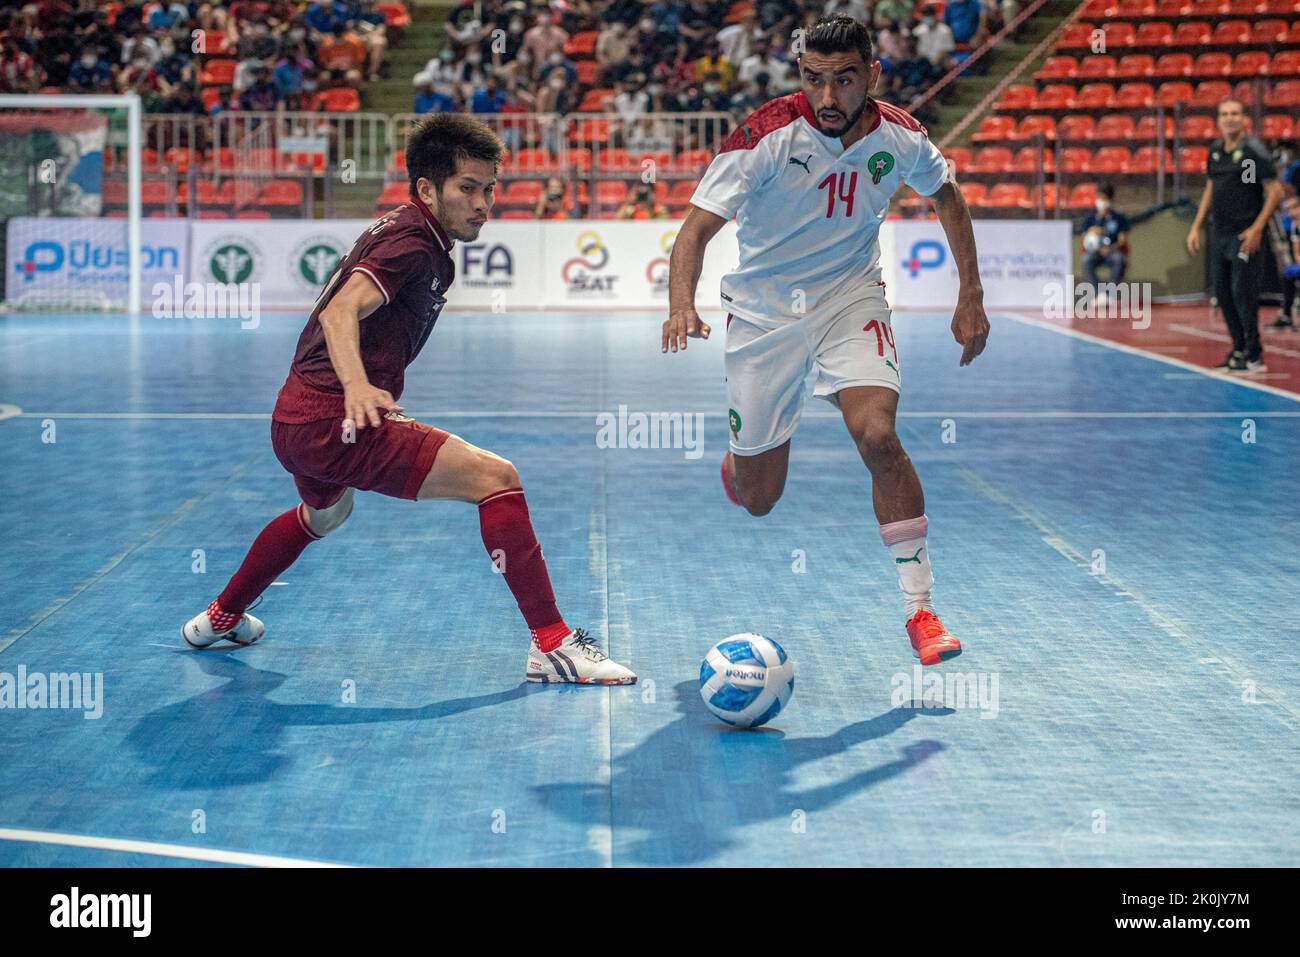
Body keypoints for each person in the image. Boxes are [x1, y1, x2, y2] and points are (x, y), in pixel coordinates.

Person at [181, 113, 635, 685]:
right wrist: (356, 387)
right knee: (497, 479)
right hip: (332, 420)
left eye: (489, 188)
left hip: (292, 422)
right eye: (467, 189)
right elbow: (341, 309)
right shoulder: (412, 242)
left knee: (326, 514)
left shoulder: (407, 229)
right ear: (426, 188)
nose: (482, 204)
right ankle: (553, 645)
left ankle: (221, 615)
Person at [662, 14, 988, 666]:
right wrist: (681, 306)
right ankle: (739, 460)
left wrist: (970, 296)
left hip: (850, 300)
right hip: (763, 317)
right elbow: (694, 231)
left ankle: (920, 608)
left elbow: (947, 195)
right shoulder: (764, 135)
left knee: (878, 436)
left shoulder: (900, 135)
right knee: (759, 500)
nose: (828, 96)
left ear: (873, 74)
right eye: (814, 80)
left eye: (844, 80)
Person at [1186, 98, 1284, 373]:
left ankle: (1254, 355)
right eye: (1225, 114)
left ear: (1244, 119)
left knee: (1243, 293)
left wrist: (1256, 229)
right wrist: (1196, 226)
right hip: (1220, 234)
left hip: (1245, 235)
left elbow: (1275, 192)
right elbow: (1210, 188)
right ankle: (1238, 349)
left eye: (1235, 113)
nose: (1230, 118)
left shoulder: (1254, 152)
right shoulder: (1216, 151)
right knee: (1223, 293)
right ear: (1218, 120)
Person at [1079, 183, 1129, 296]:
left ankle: (1110, 294)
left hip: (1112, 252)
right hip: (1095, 253)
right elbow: (1084, 239)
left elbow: (1122, 240)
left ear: (1110, 200)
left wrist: (1110, 248)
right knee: (1086, 260)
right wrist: (1090, 233)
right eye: (1098, 198)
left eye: (1103, 199)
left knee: (1119, 258)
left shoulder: (1118, 218)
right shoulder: (1090, 218)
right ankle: (1098, 294)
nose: (1100, 202)